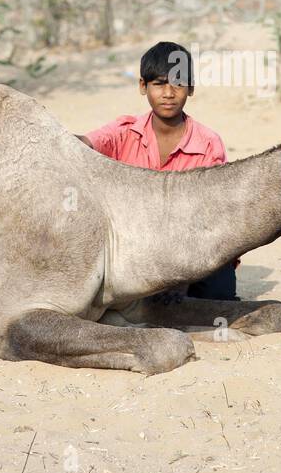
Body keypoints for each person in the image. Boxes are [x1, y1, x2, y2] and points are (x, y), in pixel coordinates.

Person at [79, 41, 238, 300]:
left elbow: (212, 215)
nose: (168, 93)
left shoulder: (208, 143)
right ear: (143, 86)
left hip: (190, 245)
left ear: (191, 87)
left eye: (177, 83)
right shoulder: (122, 133)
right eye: (159, 83)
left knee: (219, 295)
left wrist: (181, 278)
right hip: (132, 245)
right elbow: (84, 145)